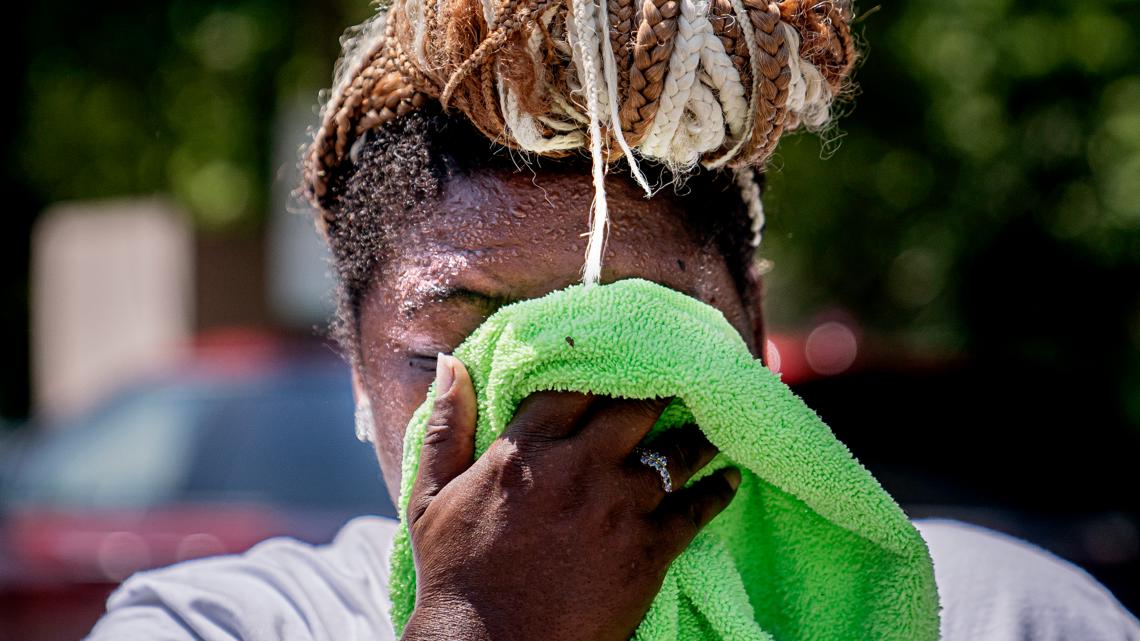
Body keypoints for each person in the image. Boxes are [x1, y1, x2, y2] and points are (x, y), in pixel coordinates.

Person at [86, 0, 1140, 639]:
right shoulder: (218, 620)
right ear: (358, 372)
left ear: (751, 333)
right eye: (458, 348)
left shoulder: (1011, 616)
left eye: (645, 338)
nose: (551, 423)